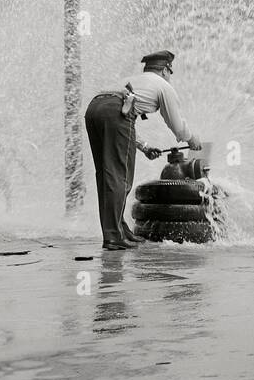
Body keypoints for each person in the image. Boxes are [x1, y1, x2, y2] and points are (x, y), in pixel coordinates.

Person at [84, 50, 200, 251]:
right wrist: (192, 139)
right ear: (165, 70)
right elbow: (176, 125)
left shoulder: (134, 80)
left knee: (106, 175)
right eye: (170, 72)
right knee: (120, 178)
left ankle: (119, 229)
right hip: (116, 112)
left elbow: (121, 116)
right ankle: (113, 237)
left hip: (94, 108)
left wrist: (144, 147)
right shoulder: (163, 86)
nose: (170, 76)